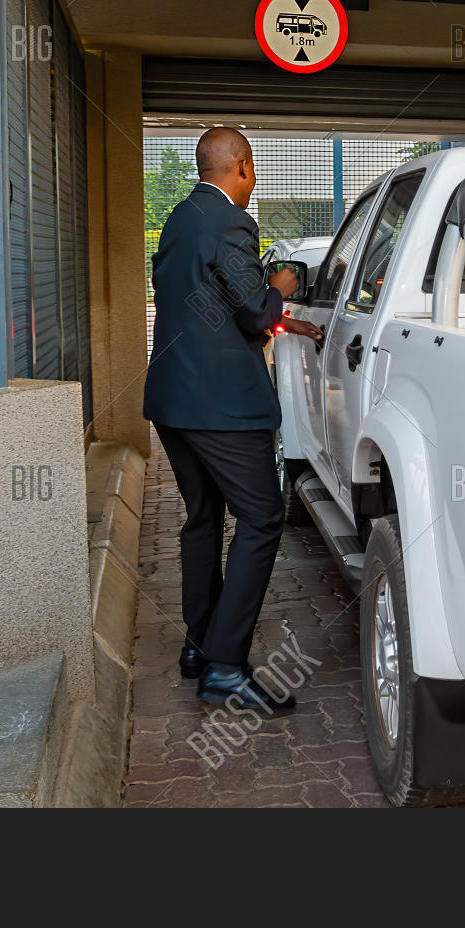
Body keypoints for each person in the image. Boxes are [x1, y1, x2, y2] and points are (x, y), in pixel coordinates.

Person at [142, 127, 322, 712]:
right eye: (254, 171)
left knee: (203, 519)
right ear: (242, 166)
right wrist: (280, 289)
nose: (253, 181)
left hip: (174, 402)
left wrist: (282, 321)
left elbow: (210, 302)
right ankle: (224, 668)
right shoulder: (232, 222)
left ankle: (199, 648)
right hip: (222, 407)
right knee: (262, 518)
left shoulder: (179, 218)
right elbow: (250, 310)